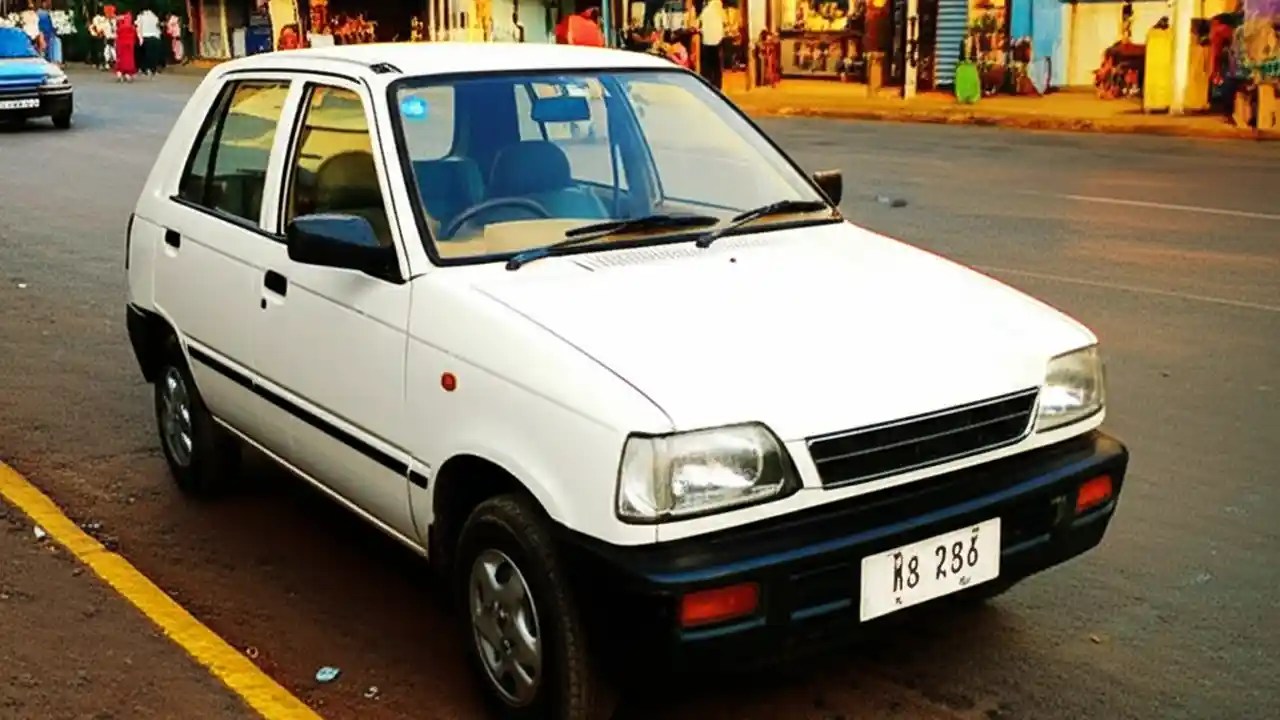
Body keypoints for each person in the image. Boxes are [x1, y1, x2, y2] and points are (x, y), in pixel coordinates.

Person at [697, 0, 725, 89]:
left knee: (708, 66)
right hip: (718, 41)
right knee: (717, 67)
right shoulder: (719, 10)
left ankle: (709, 85)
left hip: (707, 42)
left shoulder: (705, 11)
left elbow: (697, 24)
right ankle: (717, 86)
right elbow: (725, 22)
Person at [136, 6, 163, 76]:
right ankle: (153, 69)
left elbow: (139, 28)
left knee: (145, 55)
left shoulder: (140, 16)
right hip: (155, 37)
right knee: (154, 55)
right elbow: (157, 27)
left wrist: (140, 38)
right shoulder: (154, 16)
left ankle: (145, 69)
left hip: (145, 37)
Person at [114, 11, 138, 82]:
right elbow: (134, 36)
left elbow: (117, 33)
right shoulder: (132, 28)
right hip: (129, 46)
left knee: (120, 59)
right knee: (128, 60)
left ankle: (119, 73)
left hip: (120, 44)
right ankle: (127, 74)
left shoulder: (120, 27)